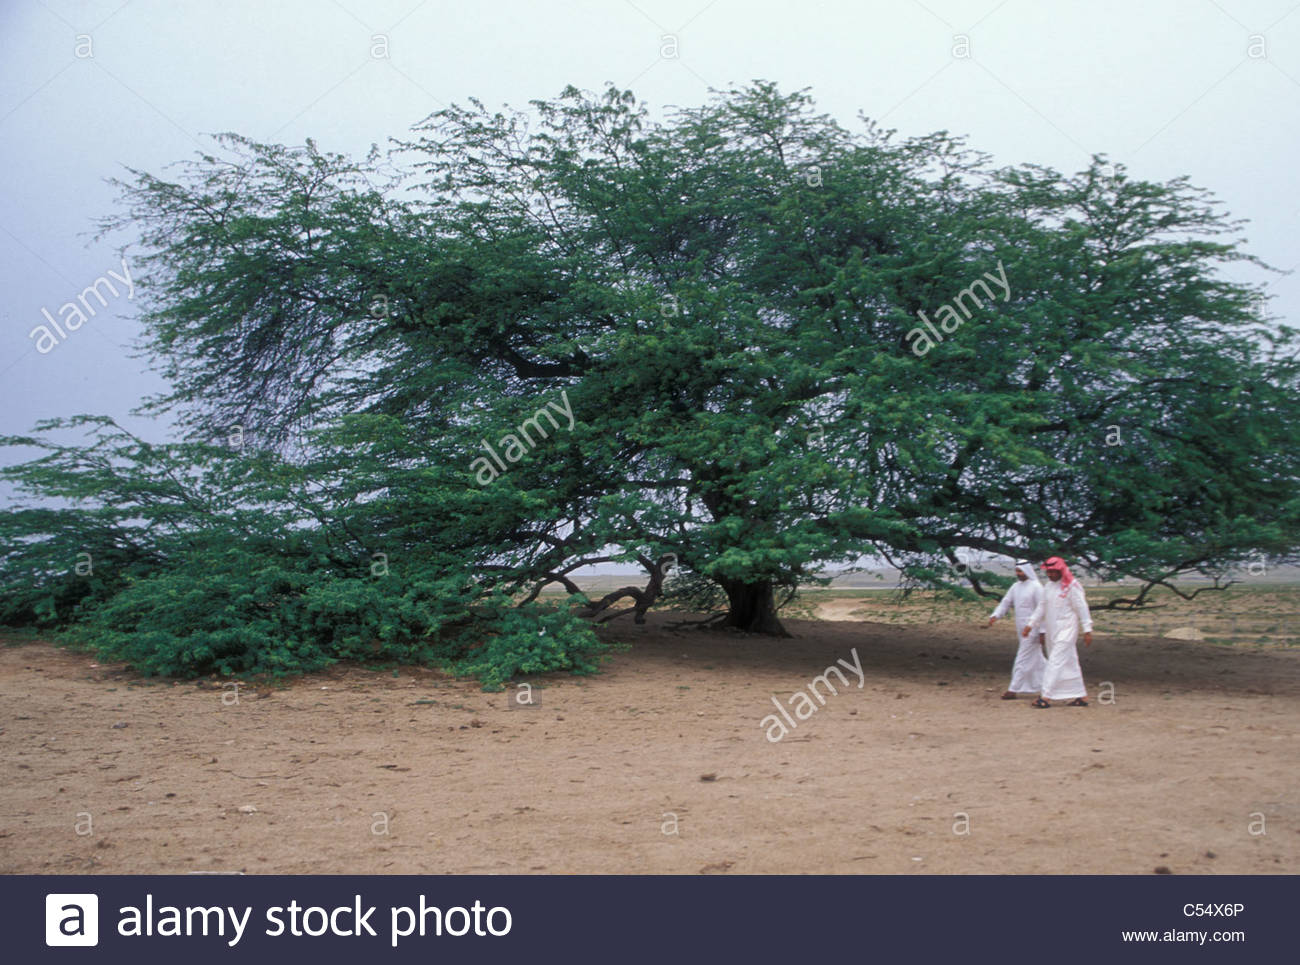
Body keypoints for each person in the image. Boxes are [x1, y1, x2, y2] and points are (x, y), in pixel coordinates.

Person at [1022, 556, 1093, 707]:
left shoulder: (1072, 586)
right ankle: (1081, 695)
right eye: (1049, 572)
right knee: (1070, 662)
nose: (1051, 575)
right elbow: (1042, 606)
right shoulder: (1048, 587)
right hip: (1052, 630)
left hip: (1067, 630)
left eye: (1054, 572)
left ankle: (1045, 697)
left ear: (1061, 571)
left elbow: (1082, 608)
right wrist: (1030, 624)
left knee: (1055, 661)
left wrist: (1087, 630)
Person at [986, 560, 1046, 699]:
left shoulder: (1037, 587)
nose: (1018, 574)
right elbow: (1006, 602)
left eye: (1020, 571)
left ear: (1027, 571)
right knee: (1038, 660)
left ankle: (1013, 689)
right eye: (1017, 571)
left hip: (1033, 629)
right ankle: (1054, 684)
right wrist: (996, 615)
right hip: (1020, 628)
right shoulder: (1015, 586)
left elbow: (1043, 610)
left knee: (1022, 657)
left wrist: (1043, 631)